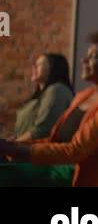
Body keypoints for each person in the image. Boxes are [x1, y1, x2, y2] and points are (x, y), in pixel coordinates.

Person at [0, 30, 98, 187]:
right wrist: (14, 147)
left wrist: (17, 151)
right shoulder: (85, 95)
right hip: (53, 168)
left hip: (74, 177)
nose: (84, 60)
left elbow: (76, 151)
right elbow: (55, 141)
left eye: (92, 57)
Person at [0, 54, 74, 186]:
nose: (33, 67)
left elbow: (43, 129)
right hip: (26, 155)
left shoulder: (56, 90)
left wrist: (12, 146)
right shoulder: (42, 94)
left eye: (39, 64)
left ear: (53, 68)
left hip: (41, 160)